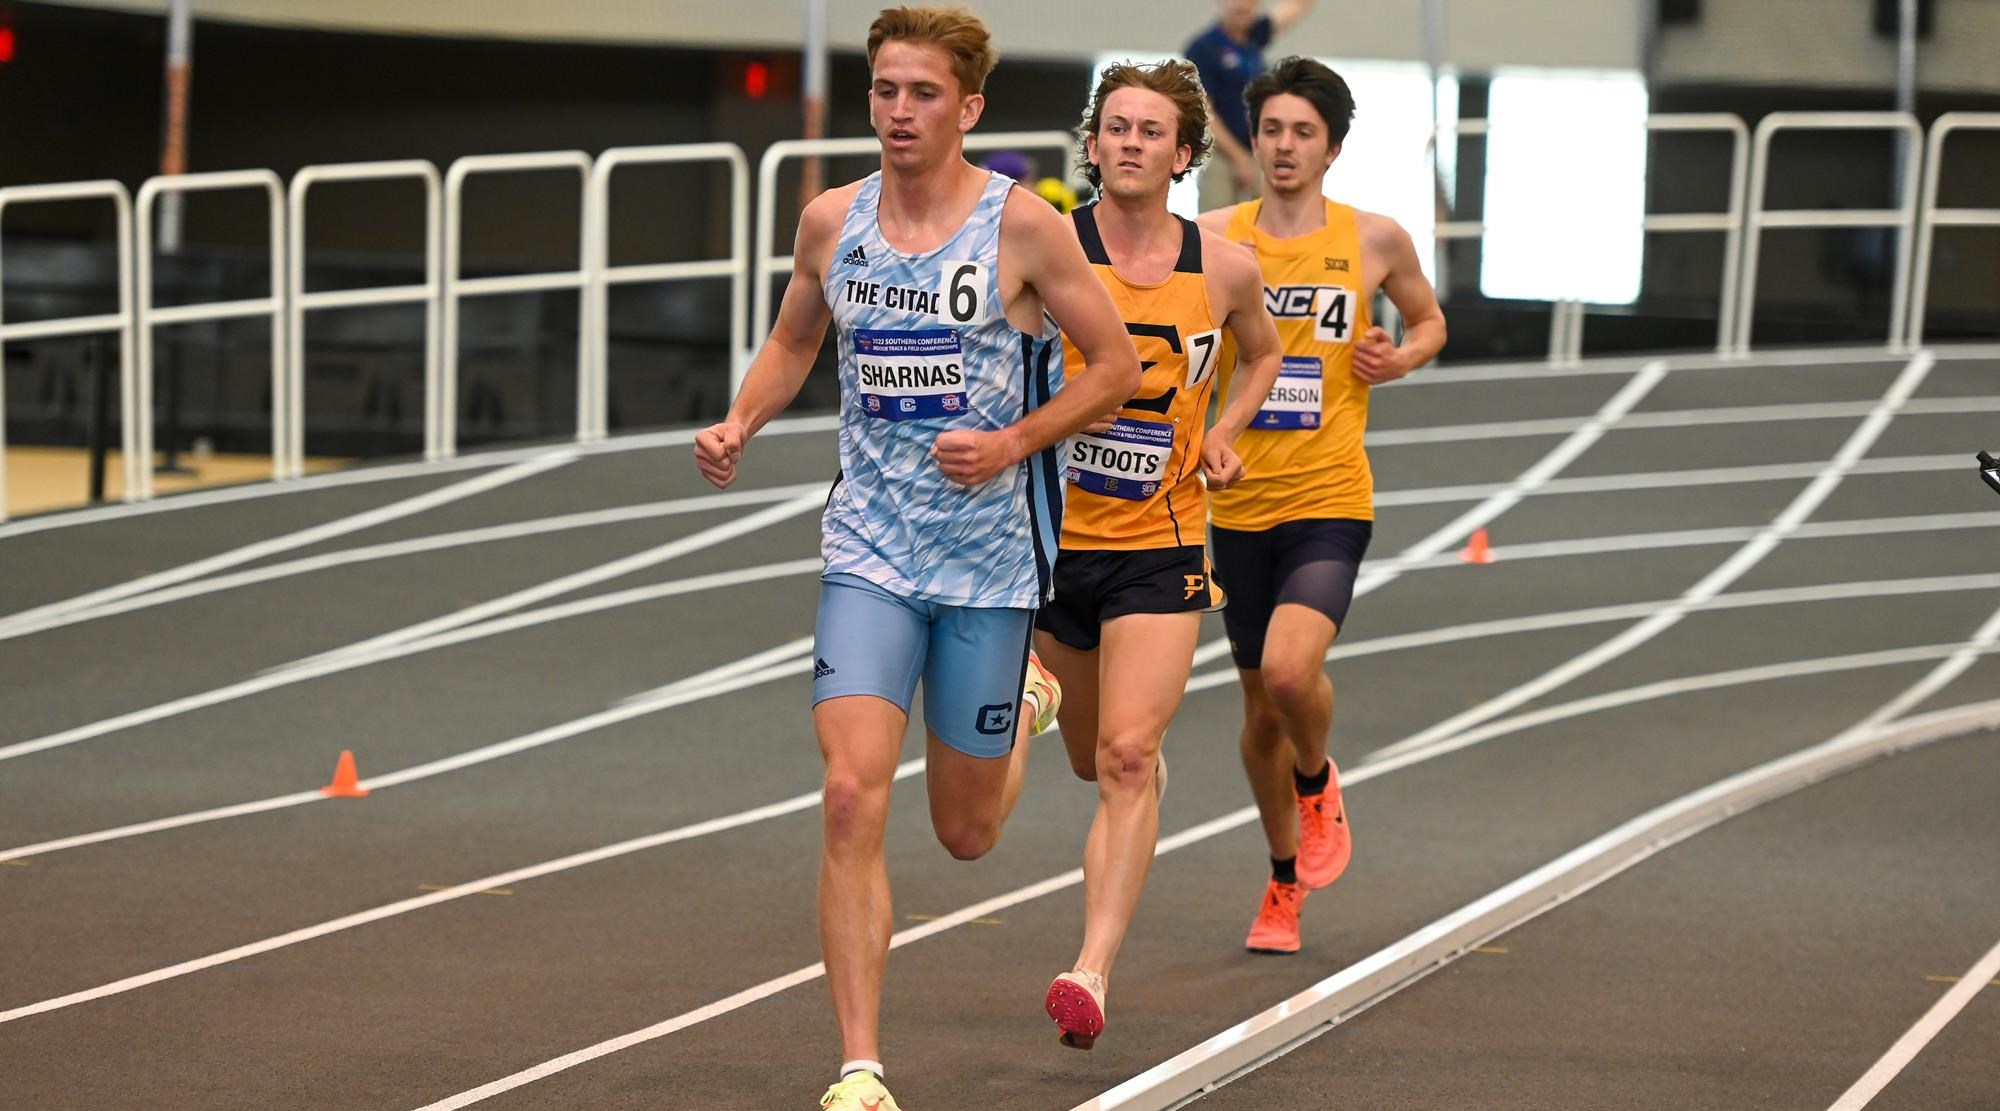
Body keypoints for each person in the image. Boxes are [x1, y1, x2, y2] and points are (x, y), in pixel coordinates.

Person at [691, 8, 1142, 1109]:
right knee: (849, 793)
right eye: (885, 91)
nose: (900, 111)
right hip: (871, 550)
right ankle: (858, 1065)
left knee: (965, 831)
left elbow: (1114, 366)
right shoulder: (830, 222)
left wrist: (1011, 442)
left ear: (968, 108)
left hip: (991, 564)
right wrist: (743, 421)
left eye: (923, 93)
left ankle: (1028, 694)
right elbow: (798, 336)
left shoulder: (1025, 229)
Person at [1034, 59, 1282, 1052]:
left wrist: (1228, 429)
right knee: (1094, 758)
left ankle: (1089, 968)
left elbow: (1263, 350)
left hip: (1162, 545)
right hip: (1049, 542)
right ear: (1091, 144)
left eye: (1151, 131)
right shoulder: (1044, 249)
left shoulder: (1220, 268)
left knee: (1127, 755)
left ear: (1184, 156)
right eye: (1115, 127)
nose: (1130, 142)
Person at [1195, 56, 1446, 955]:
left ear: (1333, 147)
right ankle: (1282, 879)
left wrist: (1400, 358)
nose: (1285, 146)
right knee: (1259, 710)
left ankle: (1318, 780)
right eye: (1271, 130)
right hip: (1236, 504)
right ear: (1253, 141)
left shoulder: (1373, 239)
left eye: (1303, 132)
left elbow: (1429, 320)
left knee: (1294, 673)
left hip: (1330, 491)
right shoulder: (1215, 237)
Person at [1183, 0, 1316, 210]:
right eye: (1237, 6)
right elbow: (1204, 112)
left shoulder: (1254, 35)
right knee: (1218, 217)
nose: (1242, 8)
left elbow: (1297, 6)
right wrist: (1238, 157)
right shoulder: (1203, 48)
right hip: (1220, 151)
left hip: (1256, 148)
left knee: (1267, 216)